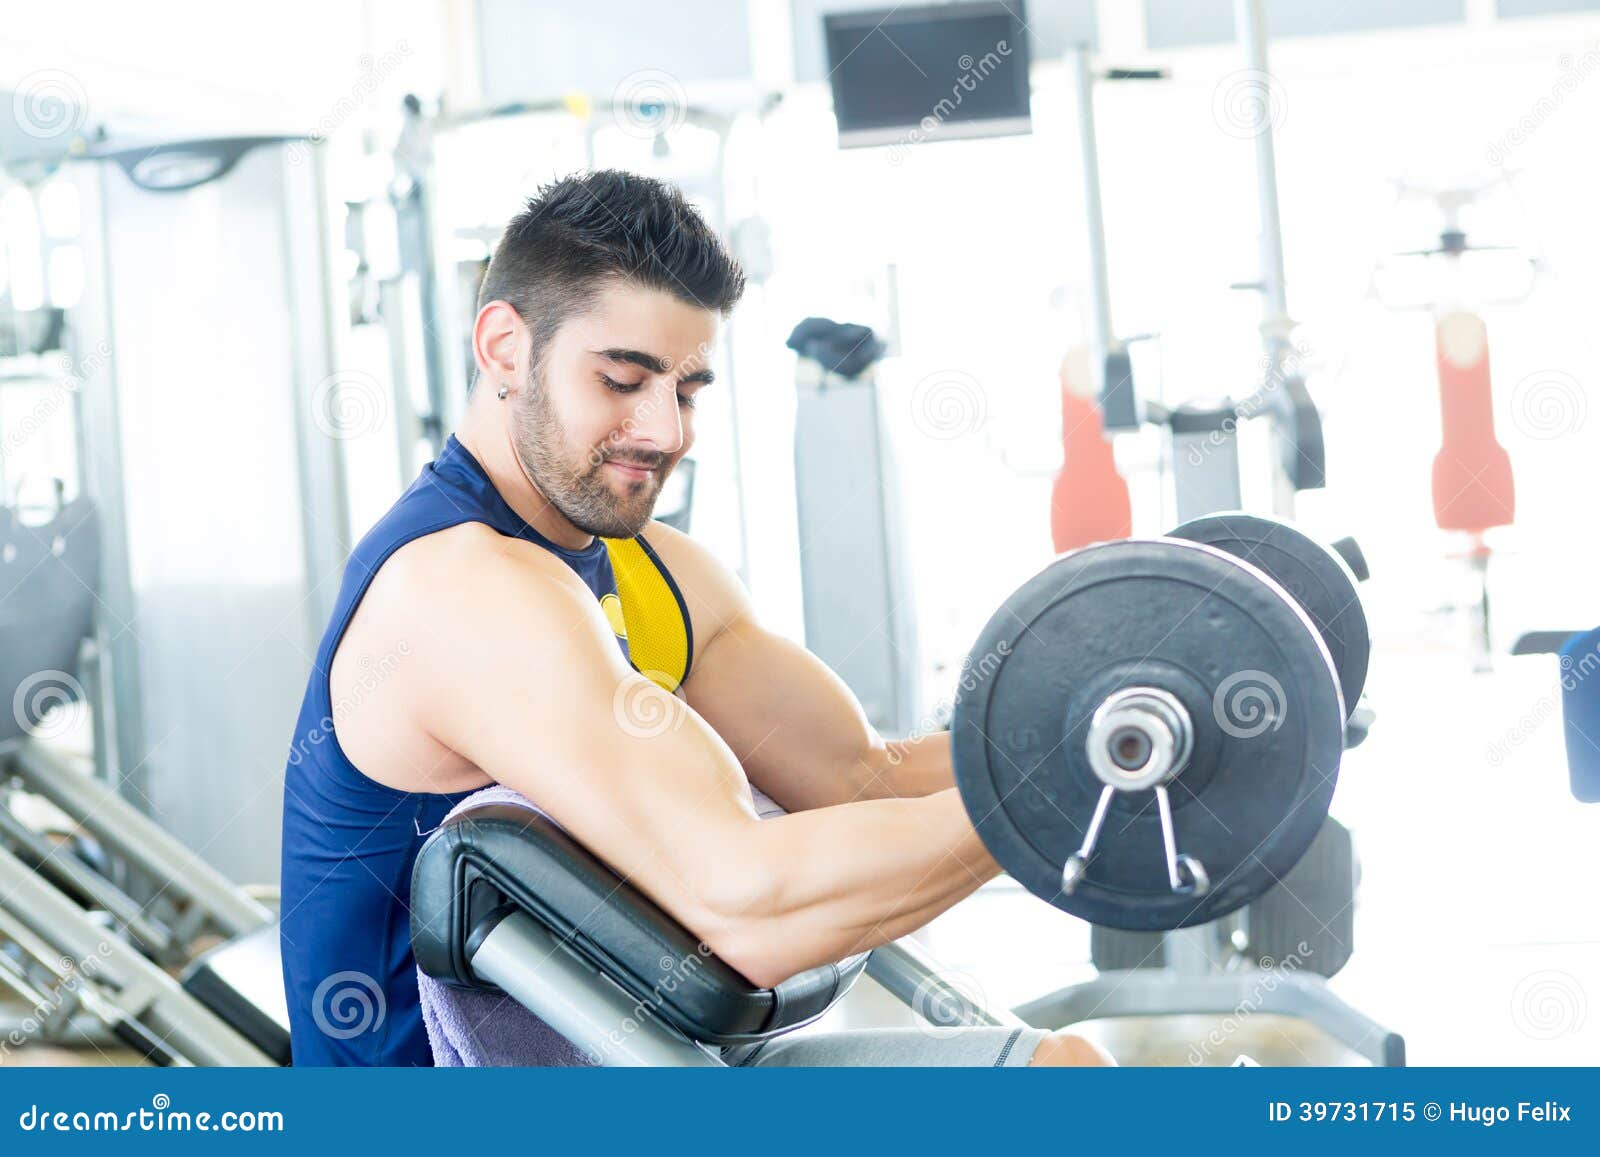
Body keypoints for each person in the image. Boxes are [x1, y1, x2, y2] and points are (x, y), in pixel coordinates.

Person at [279, 169, 1112, 1068]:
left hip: (634, 1064)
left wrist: (1081, 727)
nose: (665, 429)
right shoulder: (460, 592)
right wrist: (1071, 788)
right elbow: (743, 908)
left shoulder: (654, 570)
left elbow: (861, 779)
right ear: (505, 349)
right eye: (622, 379)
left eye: (687, 389)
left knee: (1066, 1074)